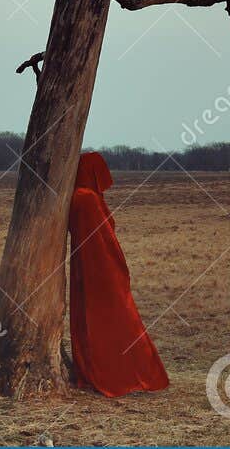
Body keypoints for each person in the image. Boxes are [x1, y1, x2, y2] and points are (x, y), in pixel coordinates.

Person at [66, 152, 169, 396]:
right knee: (117, 321)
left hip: (93, 271)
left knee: (101, 321)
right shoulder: (86, 199)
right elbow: (100, 242)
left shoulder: (85, 197)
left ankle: (106, 369)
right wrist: (116, 273)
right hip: (101, 273)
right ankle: (121, 372)